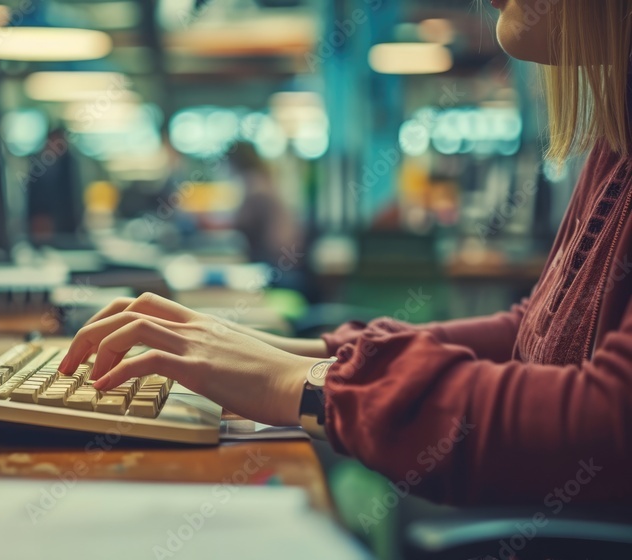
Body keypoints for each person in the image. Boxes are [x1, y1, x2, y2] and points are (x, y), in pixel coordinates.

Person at [59, 0, 632, 506]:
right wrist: (270, 350)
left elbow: (607, 427)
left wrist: (306, 382)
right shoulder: (616, 140)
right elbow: (535, 333)